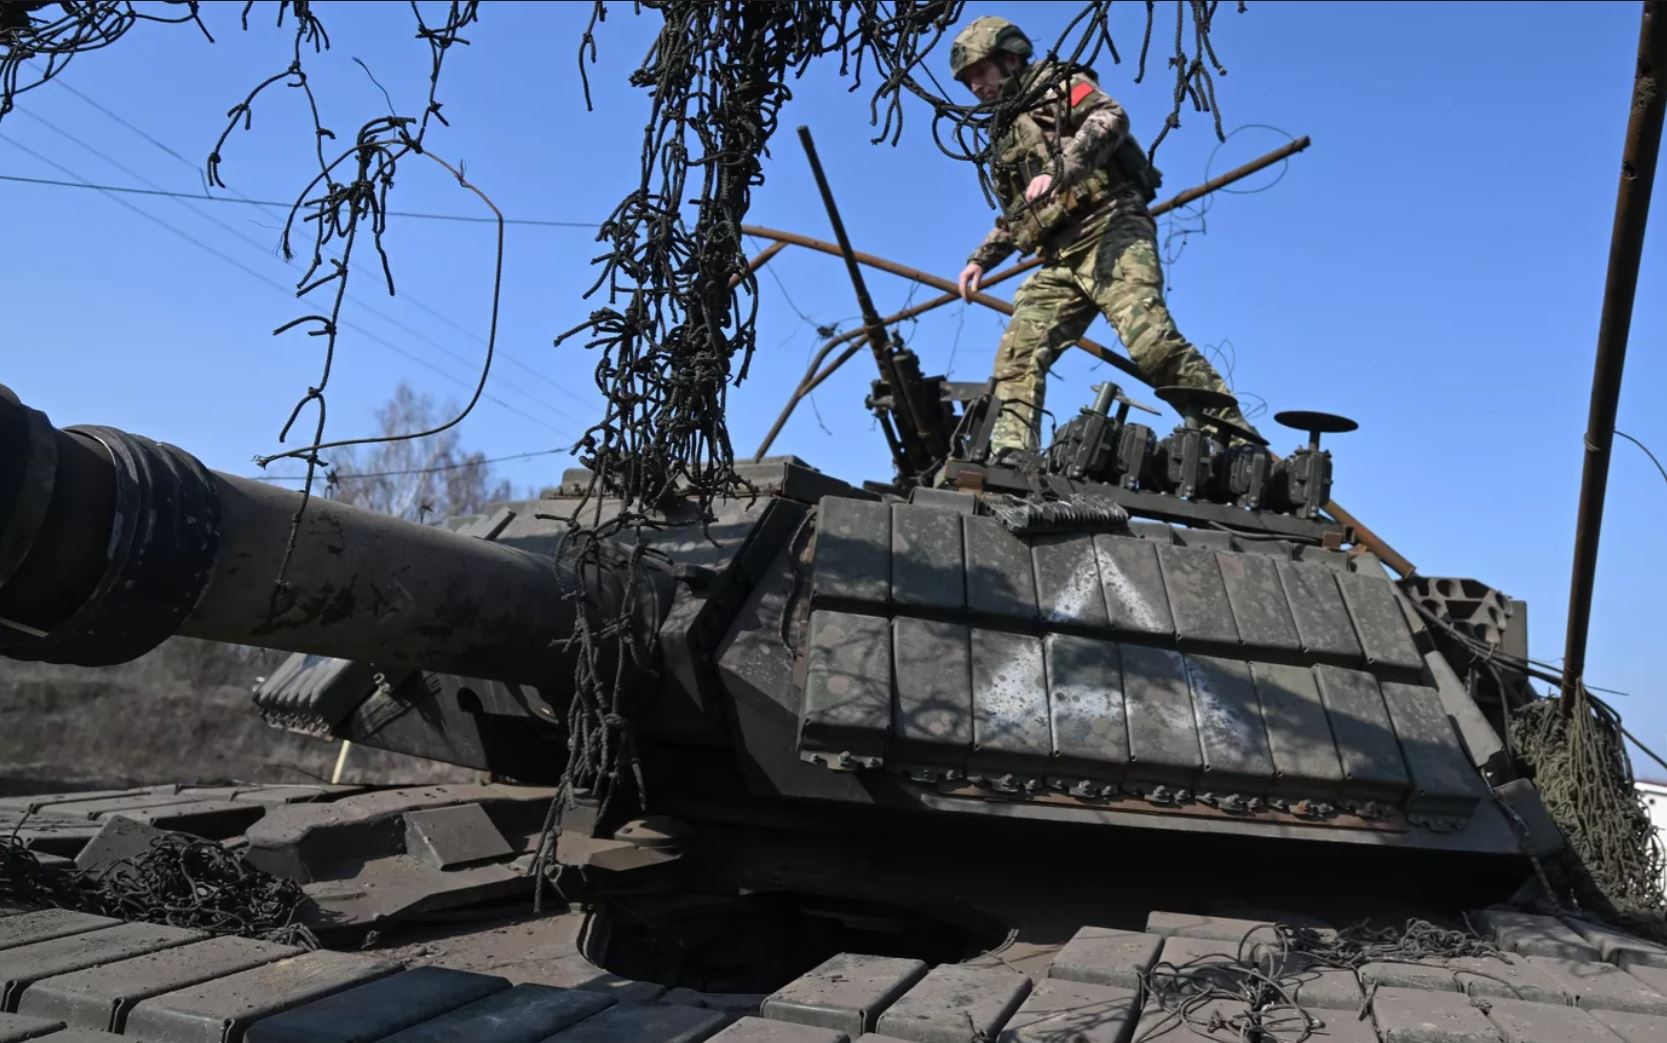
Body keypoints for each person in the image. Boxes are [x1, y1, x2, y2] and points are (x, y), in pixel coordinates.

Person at [950, 15, 1257, 456]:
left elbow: (1109, 117)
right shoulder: (1006, 129)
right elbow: (1022, 211)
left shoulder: (1055, 85)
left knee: (1149, 340)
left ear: (1010, 57)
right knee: (1018, 354)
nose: (976, 86)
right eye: (968, 81)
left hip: (1111, 226)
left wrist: (1062, 168)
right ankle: (1011, 454)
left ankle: (1231, 438)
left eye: (980, 71)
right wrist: (981, 258)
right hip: (1061, 257)